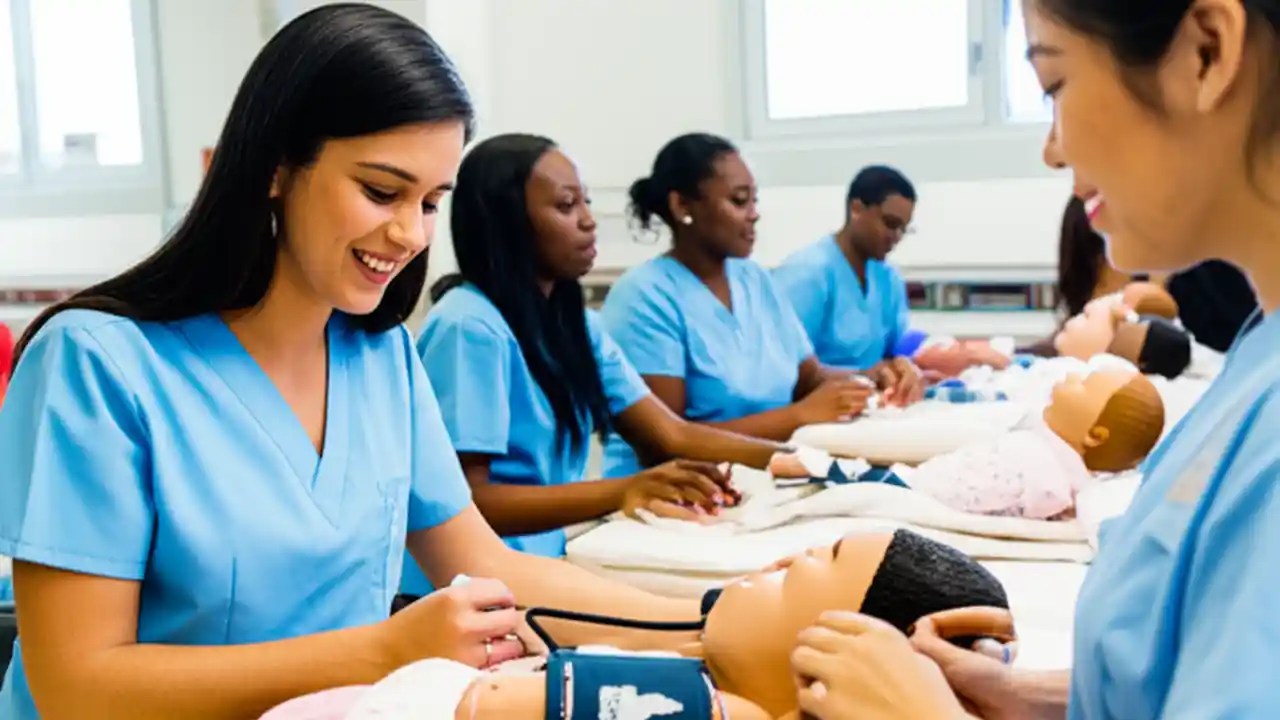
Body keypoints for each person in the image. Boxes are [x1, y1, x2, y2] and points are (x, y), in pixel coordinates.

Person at [0, 8, 745, 719]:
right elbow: (78, 687)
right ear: (276, 166)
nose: (409, 233)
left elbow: (494, 566)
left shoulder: (380, 356)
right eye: (381, 191)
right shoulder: (97, 365)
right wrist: (380, 651)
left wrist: (717, 620)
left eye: (429, 202)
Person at [790, 1, 1280, 718]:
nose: (1052, 149)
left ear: (1206, 52)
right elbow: (1179, 666)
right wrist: (1025, 696)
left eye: (1054, 87)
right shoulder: (1256, 357)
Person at [398, 133, 793, 596]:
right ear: (509, 224)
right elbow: (466, 502)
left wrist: (803, 462)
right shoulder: (469, 326)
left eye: (585, 203)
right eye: (567, 207)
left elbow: (671, 435)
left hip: (540, 563)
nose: (589, 222)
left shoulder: (574, 324)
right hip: (459, 586)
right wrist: (624, 491)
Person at [600, 134, 922, 478]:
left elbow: (808, 377)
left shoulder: (754, 280)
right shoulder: (645, 297)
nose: (754, 215)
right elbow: (666, 442)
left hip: (758, 472)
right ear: (682, 207)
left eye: (755, 201)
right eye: (739, 201)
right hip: (674, 488)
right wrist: (798, 417)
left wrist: (874, 376)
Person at [773, 165, 919, 371]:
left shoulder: (887, 277)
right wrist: (862, 377)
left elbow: (898, 347)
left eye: (903, 229)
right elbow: (783, 367)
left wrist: (905, 368)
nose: (896, 237)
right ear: (856, 209)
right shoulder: (807, 274)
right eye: (890, 224)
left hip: (877, 399)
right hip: (820, 399)